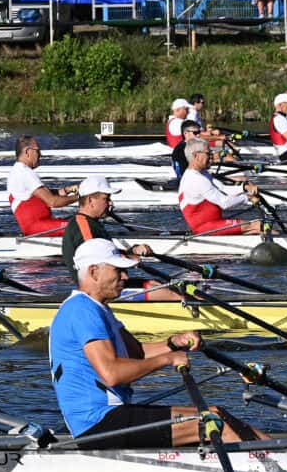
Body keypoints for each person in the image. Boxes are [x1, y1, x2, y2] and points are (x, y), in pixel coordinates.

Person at [48, 238, 265, 448]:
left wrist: (174, 343)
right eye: (118, 270)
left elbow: (137, 353)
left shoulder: (98, 308)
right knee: (217, 421)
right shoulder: (82, 310)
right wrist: (167, 359)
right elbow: (112, 374)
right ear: (94, 272)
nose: (125, 276)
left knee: (218, 415)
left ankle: (281, 451)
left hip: (113, 416)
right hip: (98, 423)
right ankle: (285, 463)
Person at [59, 176, 182, 302]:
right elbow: (97, 261)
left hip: (108, 283)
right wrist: (128, 258)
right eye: (106, 199)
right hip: (96, 291)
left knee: (158, 284)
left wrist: (131, 252)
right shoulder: (83, 226)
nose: (111, 203)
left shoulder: (92, 223)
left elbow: (107, 256)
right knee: (168, 293)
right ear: (91, 200)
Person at [178, 141, 264, 236]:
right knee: (258, 226)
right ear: (195, 155)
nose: (211, 156)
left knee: (257, 227)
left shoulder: (202, 173)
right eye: (208, 153)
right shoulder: (196, 179)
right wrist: (247, 198)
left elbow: (223, 189)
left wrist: (244, 188)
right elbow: (224, 203)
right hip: (205, 228)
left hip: (214, 223)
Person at [8, 136, 78, 239]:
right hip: (36, 227)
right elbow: (52, 202)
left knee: (79, 220)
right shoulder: (25, 173)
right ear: (27, 151)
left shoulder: (18, 170)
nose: (40, 154)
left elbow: (45, 195)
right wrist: (80, 197)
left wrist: (68, 190)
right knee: (78, 226)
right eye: (38, 151)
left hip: (41, 224)